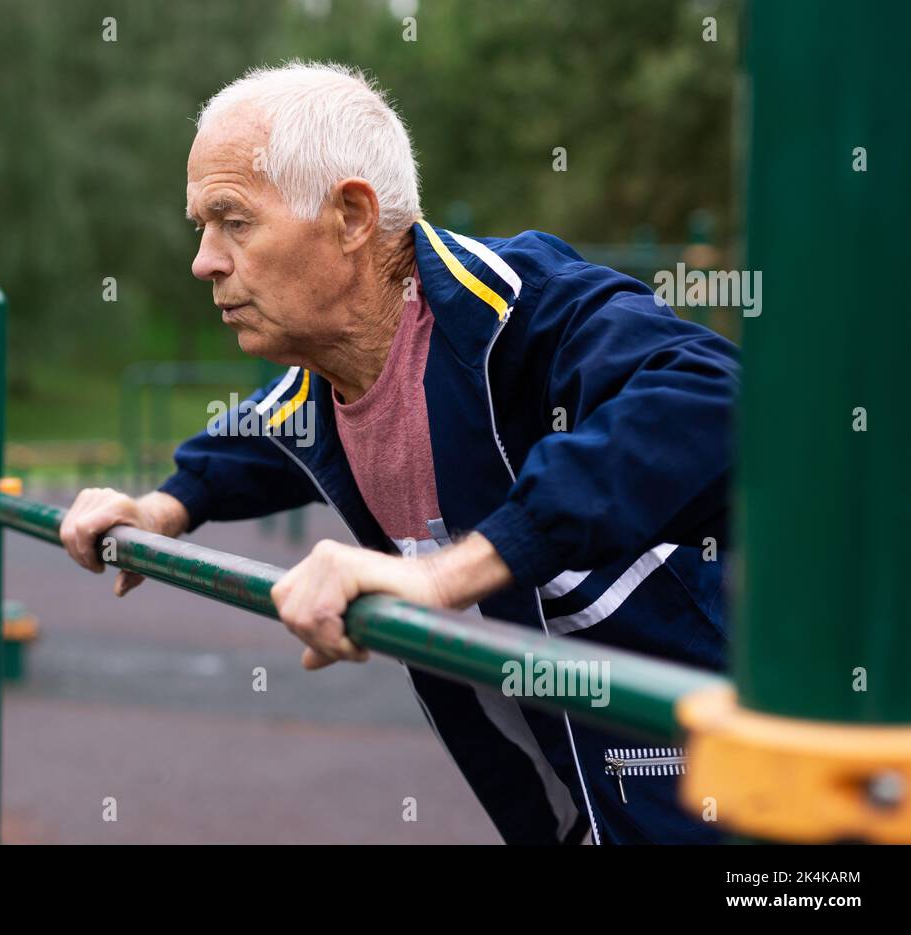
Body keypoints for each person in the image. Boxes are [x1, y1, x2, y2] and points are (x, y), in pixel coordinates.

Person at [60, 62, 738, 844]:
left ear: (352, 216)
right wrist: (161, 507)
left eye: (233, 221)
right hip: (571, 809)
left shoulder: (520, 311)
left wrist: (439, 575)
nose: (204, 260)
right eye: (201, 228)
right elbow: (264, 429)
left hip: (742, 801)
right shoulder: (331, 380)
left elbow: (717, 397)